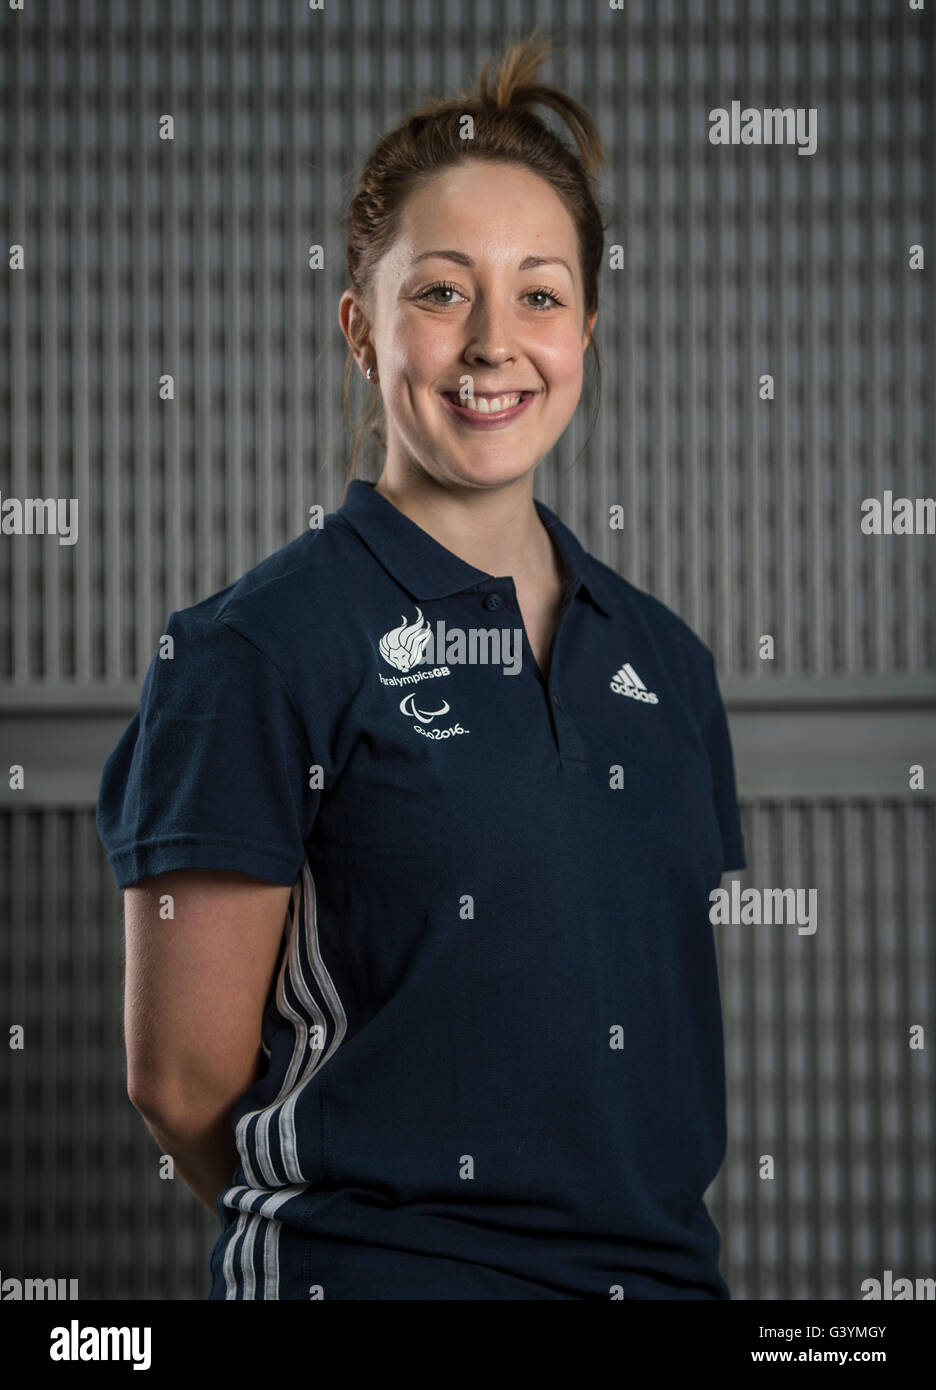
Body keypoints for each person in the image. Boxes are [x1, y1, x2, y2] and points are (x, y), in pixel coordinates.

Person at [96, 31, 746, 1301]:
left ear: (587, 334)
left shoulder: (670, 664)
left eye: (541, 293)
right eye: (442, 291)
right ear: (360, 327)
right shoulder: (252, 650)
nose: (494, 341)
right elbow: (180, 1086)